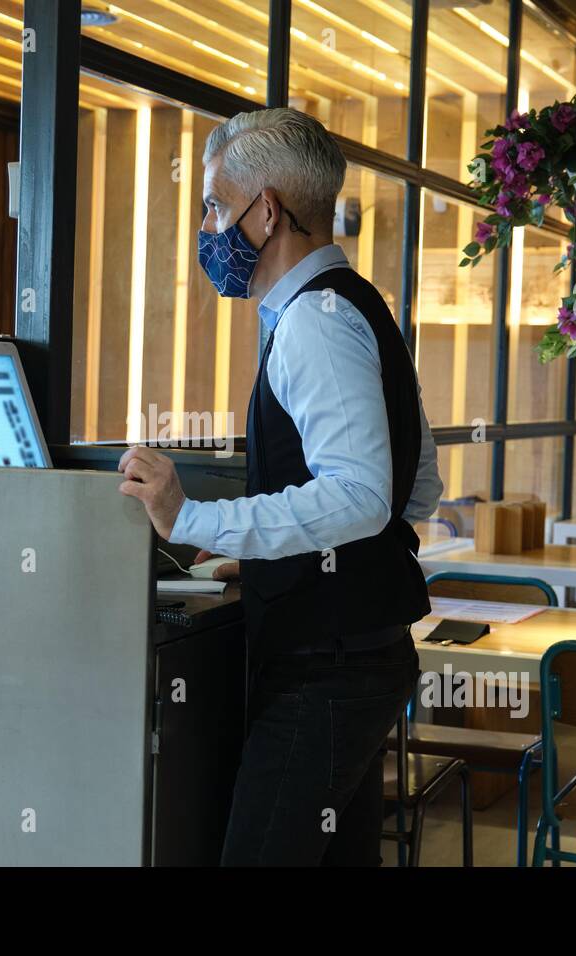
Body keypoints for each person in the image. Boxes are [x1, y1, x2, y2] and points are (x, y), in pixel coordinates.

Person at [118, 107, 442, 866]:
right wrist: (275, 553)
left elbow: (363, 495)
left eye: (213, 205)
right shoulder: (355, 303)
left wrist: (191, 515)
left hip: (324, 671)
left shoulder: (312, 325)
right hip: (362, 655)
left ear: (265, 211)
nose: (206, 227)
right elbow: (416, 489)